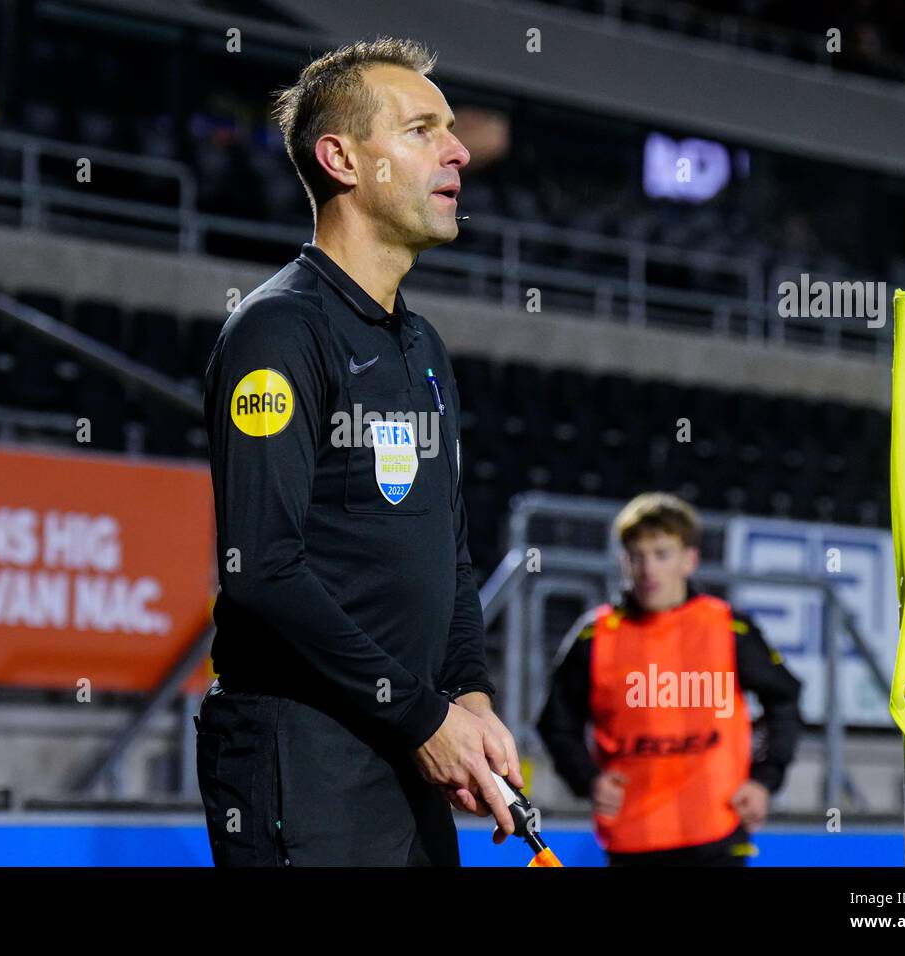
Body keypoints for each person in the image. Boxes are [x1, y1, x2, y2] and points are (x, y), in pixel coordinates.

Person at [196, 37, 520, 867]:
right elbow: (261, 568)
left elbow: (447, 558)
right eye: (421, 130)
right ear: (341, 159)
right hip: (306, 762)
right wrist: (424, 719)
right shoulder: (279, 330)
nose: (457, 151)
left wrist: (470, 703)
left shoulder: (423, 346)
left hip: (409, 752)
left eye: (451, 130)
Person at [536, 492, 803, 866]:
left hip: (717, 835)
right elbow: (556, 724)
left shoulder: (728, 628)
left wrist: (764, 780)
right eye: (636, 556)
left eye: (661, 554)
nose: (648, 570)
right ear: (622, 561)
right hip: (631, 841)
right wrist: (588, 780)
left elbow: (785, 700)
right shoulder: (593, 638)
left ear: (689, 559)